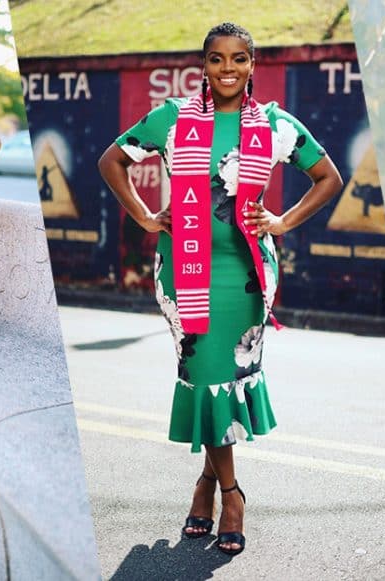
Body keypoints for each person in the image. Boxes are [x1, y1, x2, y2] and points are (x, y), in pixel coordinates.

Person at [97, 22, 342, 556]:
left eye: (238, 59)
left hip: (248, 276)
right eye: (216, 59)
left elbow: (329, 178)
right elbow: (111, 159)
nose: (226, 69)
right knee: (206, 373)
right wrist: (142, 215)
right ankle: (232, 493)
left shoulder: (275, 125)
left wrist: (281, 221)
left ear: (253, 64)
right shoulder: (173, 117)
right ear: (202, 65)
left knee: (226, 377)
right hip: (184, 273)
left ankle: (209, 485)